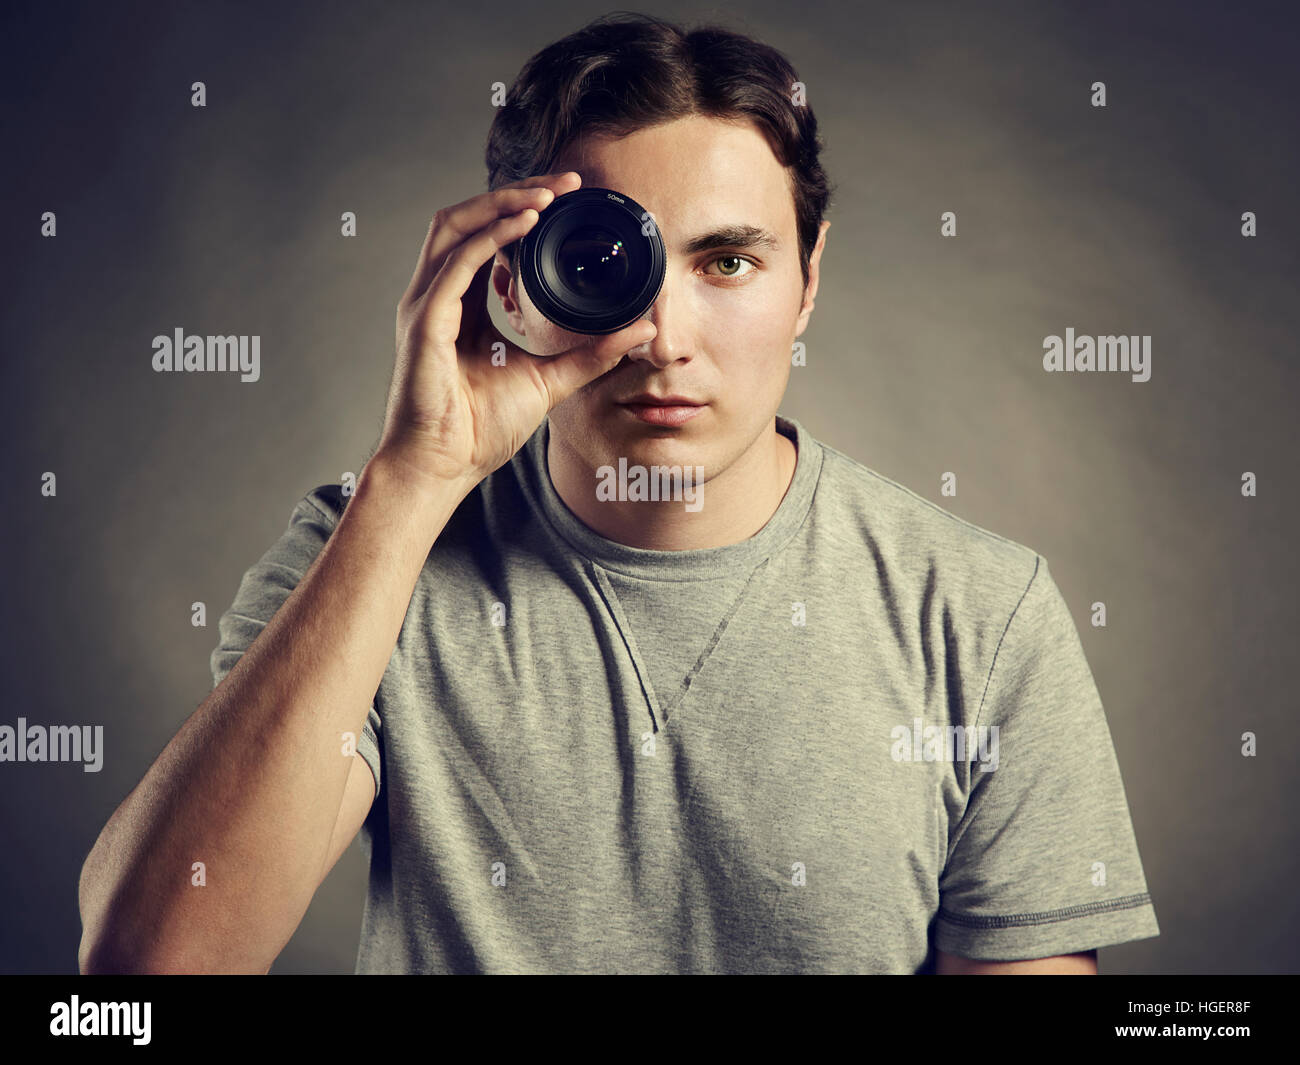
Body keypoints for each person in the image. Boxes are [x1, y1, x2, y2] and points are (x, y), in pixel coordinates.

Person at [77, 12, 1158, 975]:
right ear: (509, 278)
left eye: (727, 263)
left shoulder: (978, 612)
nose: (662, 338)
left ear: (809, 281)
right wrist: (412, 483)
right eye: (609, 262)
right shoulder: (367, 552)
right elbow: (146, 970)